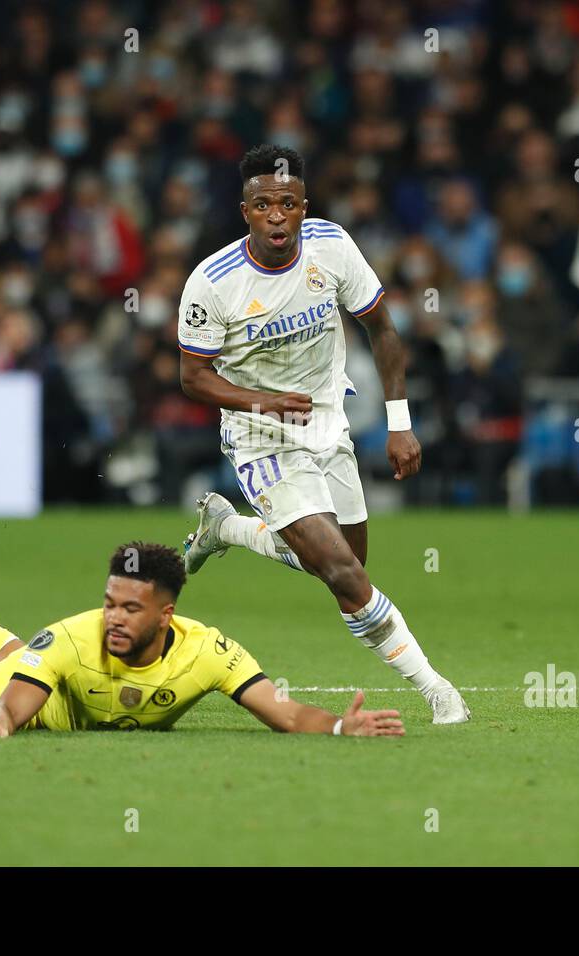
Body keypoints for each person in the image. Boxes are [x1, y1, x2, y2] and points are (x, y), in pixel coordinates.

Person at [176, 144, 468, 723]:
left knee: (345, 564)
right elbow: (192, 378)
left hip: (329, 426)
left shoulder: (333, 247)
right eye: (264, 205)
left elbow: (382, 329)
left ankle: (227, 528)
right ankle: (439, 690)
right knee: (344, 576)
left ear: (305, 207)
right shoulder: (212, 283)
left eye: (289, 203)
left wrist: (400, 423)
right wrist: (263, 401)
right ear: (245, 212)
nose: (278, 215)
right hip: (260, 437)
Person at [0, 541, 404, 738]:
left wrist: (342, 730)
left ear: (167, 615)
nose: (114, 618)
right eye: (109, 602)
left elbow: (286, 712)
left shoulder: (209, 651)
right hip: (43, 702)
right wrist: (4, 719)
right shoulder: (78, 635)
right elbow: (23, 689)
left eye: (131, 609)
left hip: (46, 669)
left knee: (26, 652)